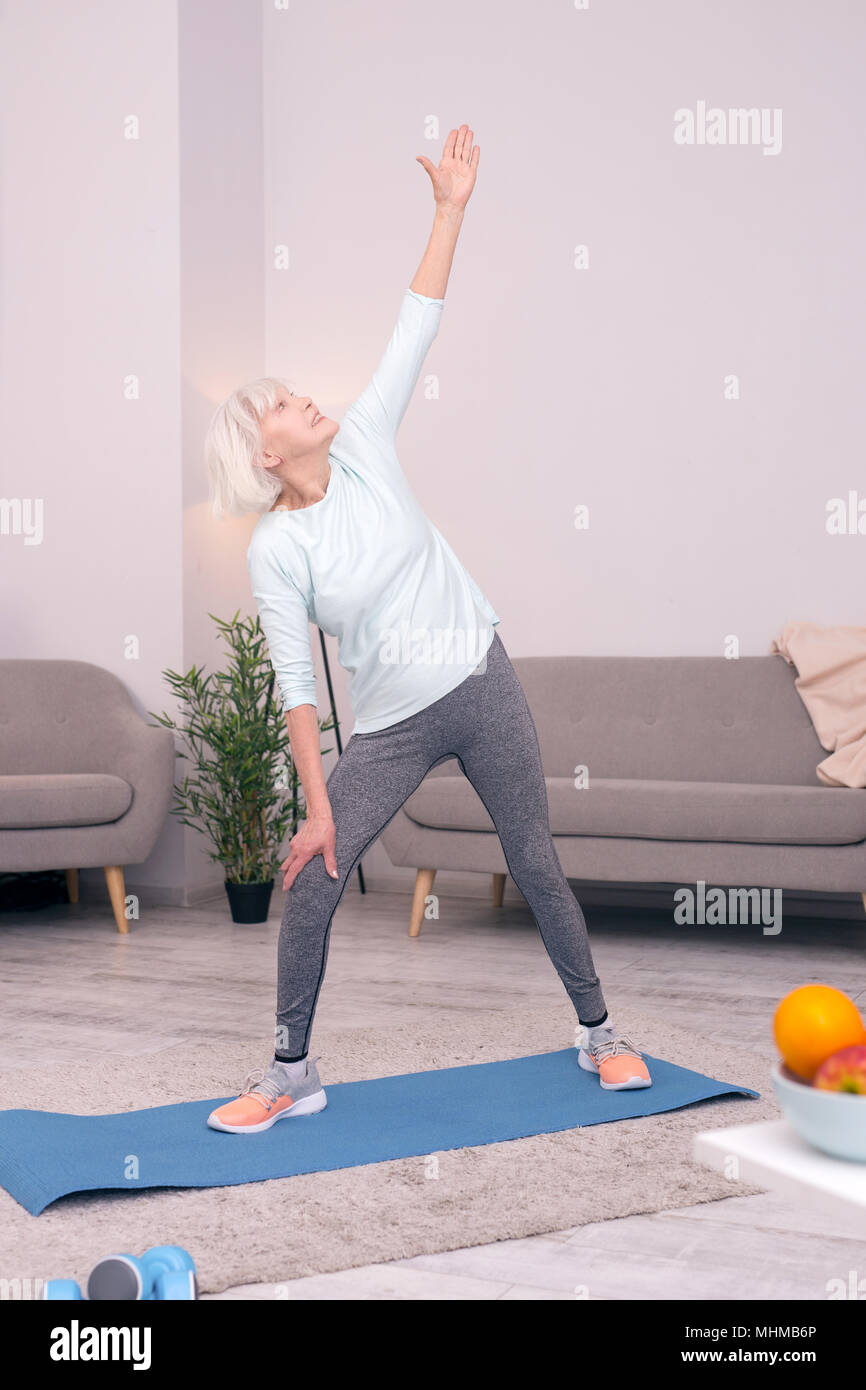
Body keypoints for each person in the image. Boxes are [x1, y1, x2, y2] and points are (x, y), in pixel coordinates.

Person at [204, 125, 651, 1134]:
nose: (302, 396)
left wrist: (448, 209)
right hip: (394, 724)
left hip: (480, 682)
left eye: (294, 389)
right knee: (311, 880)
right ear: (260, 451)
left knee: (532, 858)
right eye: (281, 401)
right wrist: (318, 809)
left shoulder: (362, 442)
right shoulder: (278, 552)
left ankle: (597, 1032)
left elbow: (415, 322)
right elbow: (296, 690)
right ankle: (289, 1073)